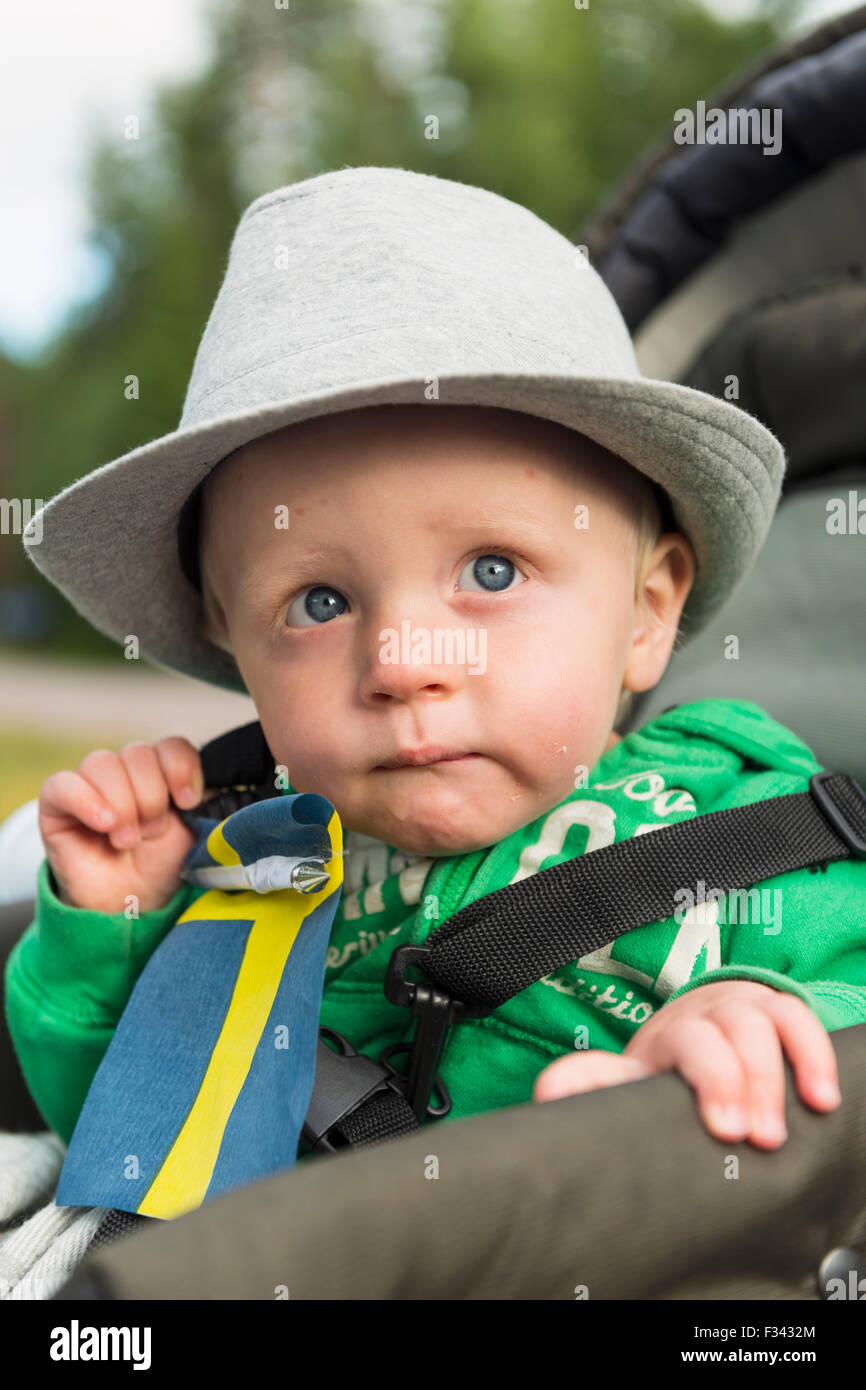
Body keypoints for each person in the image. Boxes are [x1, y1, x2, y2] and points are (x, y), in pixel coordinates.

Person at [6, 167, 861, 1175]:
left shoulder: (760, 840)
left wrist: (769, 1019)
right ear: (236, 642)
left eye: (490, 571)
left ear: (646, 610)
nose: (404, 666)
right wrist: (113, 929)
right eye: (319, 602)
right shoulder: (253, 877)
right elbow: (137, 1147)